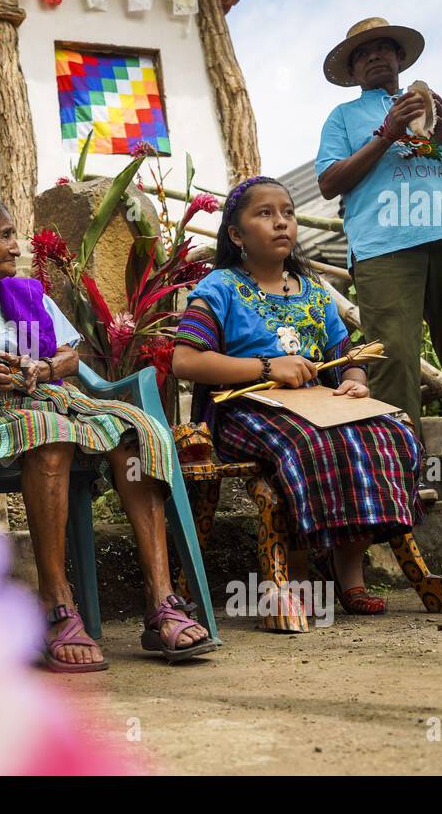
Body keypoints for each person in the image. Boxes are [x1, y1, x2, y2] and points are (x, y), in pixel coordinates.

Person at [0, 193, 212, 670]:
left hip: (51, 399)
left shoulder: (26, 296)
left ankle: (161, 602)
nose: (18, 247)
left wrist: (45, 363)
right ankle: (57, 605)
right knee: (48, 435)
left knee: (137, 429)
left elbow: (71, 357)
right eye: (6, 235)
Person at [172, 176, 423, 615]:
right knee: (309, 444)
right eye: (264, 214)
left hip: (314, 405)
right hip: (243, 410)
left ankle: (350, 574)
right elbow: (186, 361)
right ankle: (301, 576)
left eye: (287, 212)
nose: (281, 222)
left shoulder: (314, 291)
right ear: (236, 234)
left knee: (388, 433)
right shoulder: (219, 288)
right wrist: (267, 368)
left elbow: (345, 354)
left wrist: (355, 381)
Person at [315, 17, 442, 499]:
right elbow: (329, 182)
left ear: (400, 59)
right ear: (354, 68)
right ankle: (404, 471)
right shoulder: (343, 118)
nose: (376, 57)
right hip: (383, 248)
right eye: (364, 54)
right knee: (395, 357)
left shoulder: (436, 108)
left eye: (385, 49)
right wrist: (386, 133)